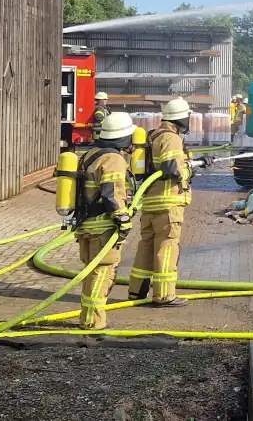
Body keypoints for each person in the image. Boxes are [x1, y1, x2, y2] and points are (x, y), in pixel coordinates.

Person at [127, 97, 213, 307]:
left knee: (146, 246)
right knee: (167, 247)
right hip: (168, 204)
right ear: (182, 118)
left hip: (151, 203)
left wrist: (194, 162)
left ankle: (136, 291)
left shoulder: (154, 136)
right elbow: (172, 170)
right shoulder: (172, 138)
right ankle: (164, 295)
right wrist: (193, 167)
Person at [74, 112, 137, 329]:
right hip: (103, 225)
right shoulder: (113, 159)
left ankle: (87, 319)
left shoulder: (91, 153)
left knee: (92, 271)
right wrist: (122, 219)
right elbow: (112, 194)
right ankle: (93, 322)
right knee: (104, 271)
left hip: (87, 223)